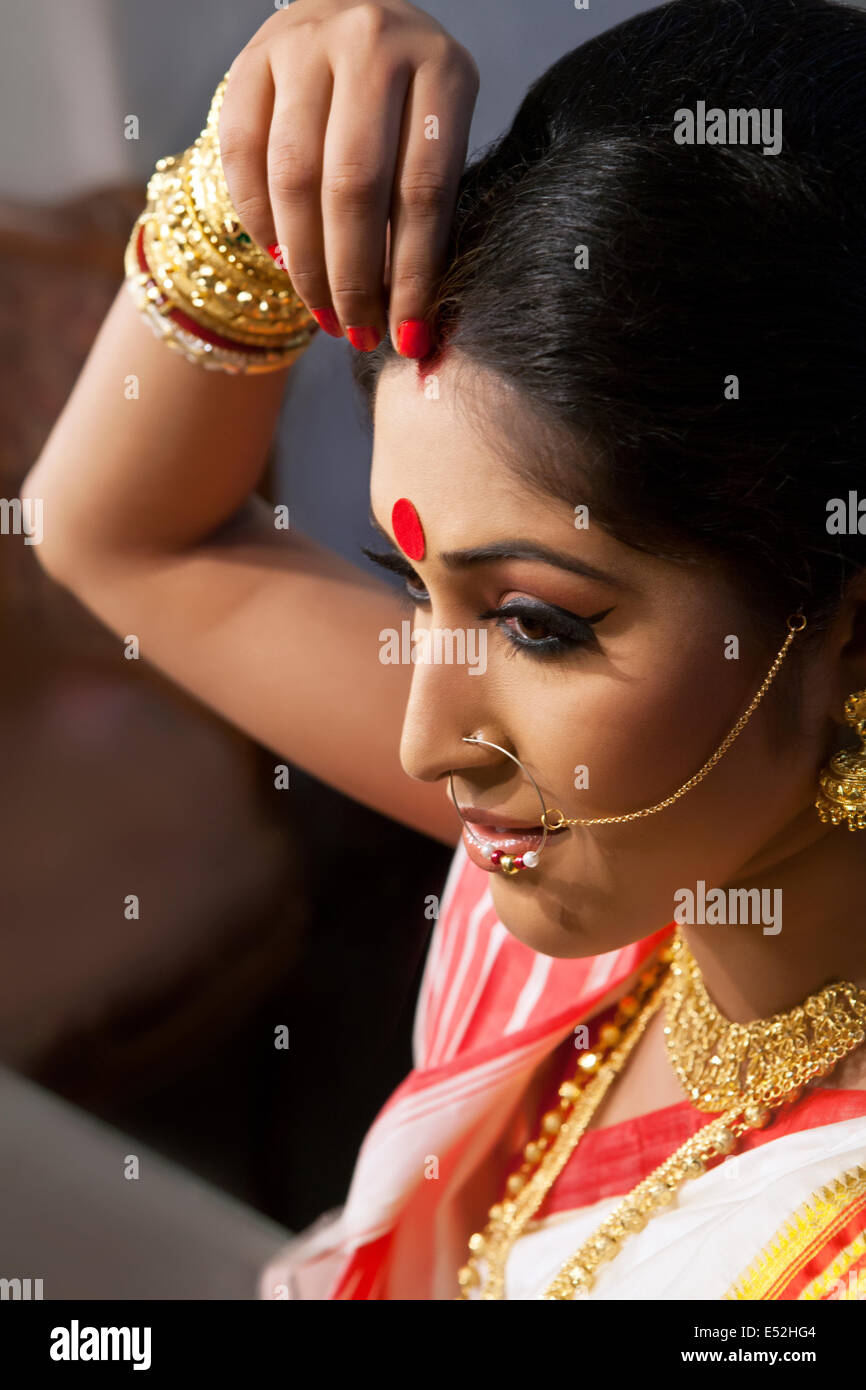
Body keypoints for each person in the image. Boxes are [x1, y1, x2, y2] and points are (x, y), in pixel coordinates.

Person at [21, 0, 866, 1300]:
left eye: (535, 623)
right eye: (409, 587)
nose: (425, 741)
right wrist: (255, 178)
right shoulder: (647, 855)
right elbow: (129, 539)